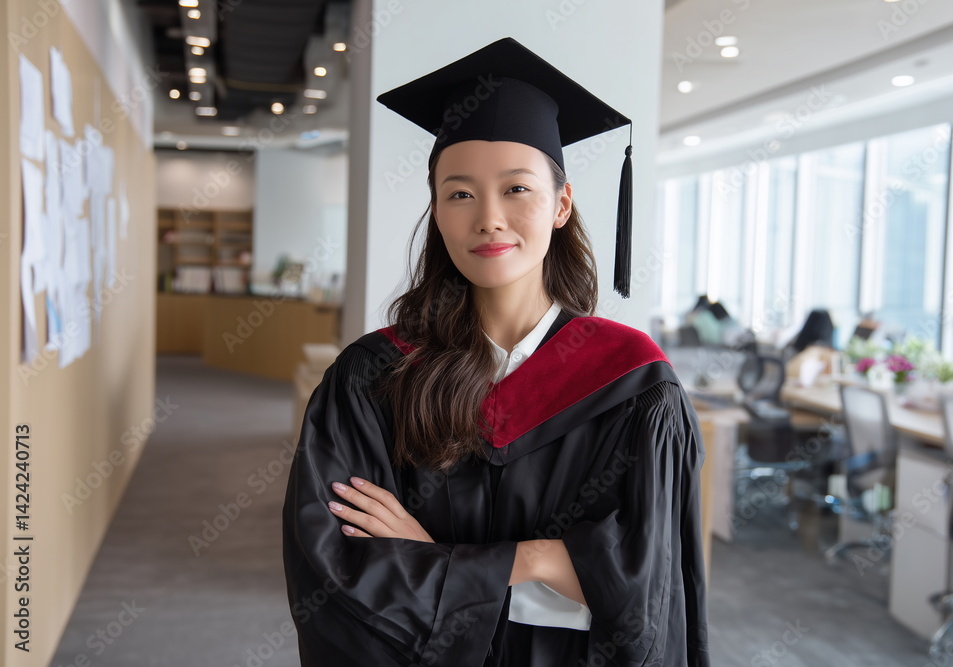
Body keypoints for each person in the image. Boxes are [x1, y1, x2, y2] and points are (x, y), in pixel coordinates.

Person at [282, 37, 710, 667]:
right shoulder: (373, 378)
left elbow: (644, 599)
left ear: (562, 204)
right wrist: (548, 567)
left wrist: (442, 565)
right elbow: (336, 577)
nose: (488, 218)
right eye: (460, 194)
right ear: (436, 211)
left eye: (516, 189)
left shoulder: (636, 386)